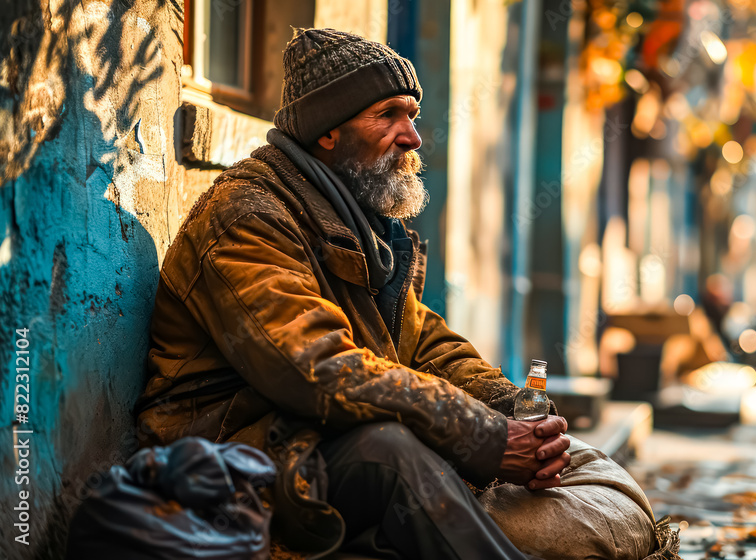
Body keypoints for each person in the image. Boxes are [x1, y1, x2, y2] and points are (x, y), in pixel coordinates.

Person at [133, 29, 661, 560]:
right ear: (327, 133)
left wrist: (513, 416)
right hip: (233, 459)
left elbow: (426, 345)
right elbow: (317, 369)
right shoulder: (247, 218)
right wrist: (483, 436)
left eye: (411, 114)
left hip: (318, 441)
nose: (412, 136)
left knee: (589, 472)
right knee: (389, 451)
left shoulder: (363, 225)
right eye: (387, 114)